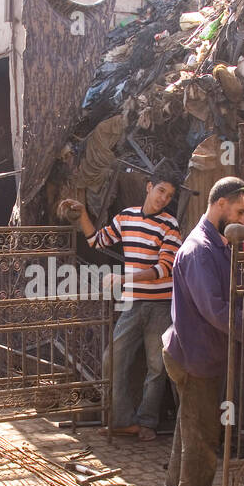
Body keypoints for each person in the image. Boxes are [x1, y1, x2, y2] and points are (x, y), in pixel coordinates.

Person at [161, 176, 244, 486]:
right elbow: (215, 309)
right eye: (240, 212)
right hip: (194, 353)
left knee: (190, 423)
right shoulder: (200, 249)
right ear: (221, 204)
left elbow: (240, 289)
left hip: (199, 350)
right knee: (202, 430)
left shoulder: (223, 245)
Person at [61, 174, 182, 442]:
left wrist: (124, 279)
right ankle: (123, 421)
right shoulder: (126, 217)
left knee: (157, 366)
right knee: (112, 359)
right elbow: (97, 241)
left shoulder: (170, 225)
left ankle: (148, 422)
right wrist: (81, 213)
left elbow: (165, 268)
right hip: (133, 304)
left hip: (161, 304)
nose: (163, 198)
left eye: (169, 195)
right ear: (149, 187)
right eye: (160, 190)